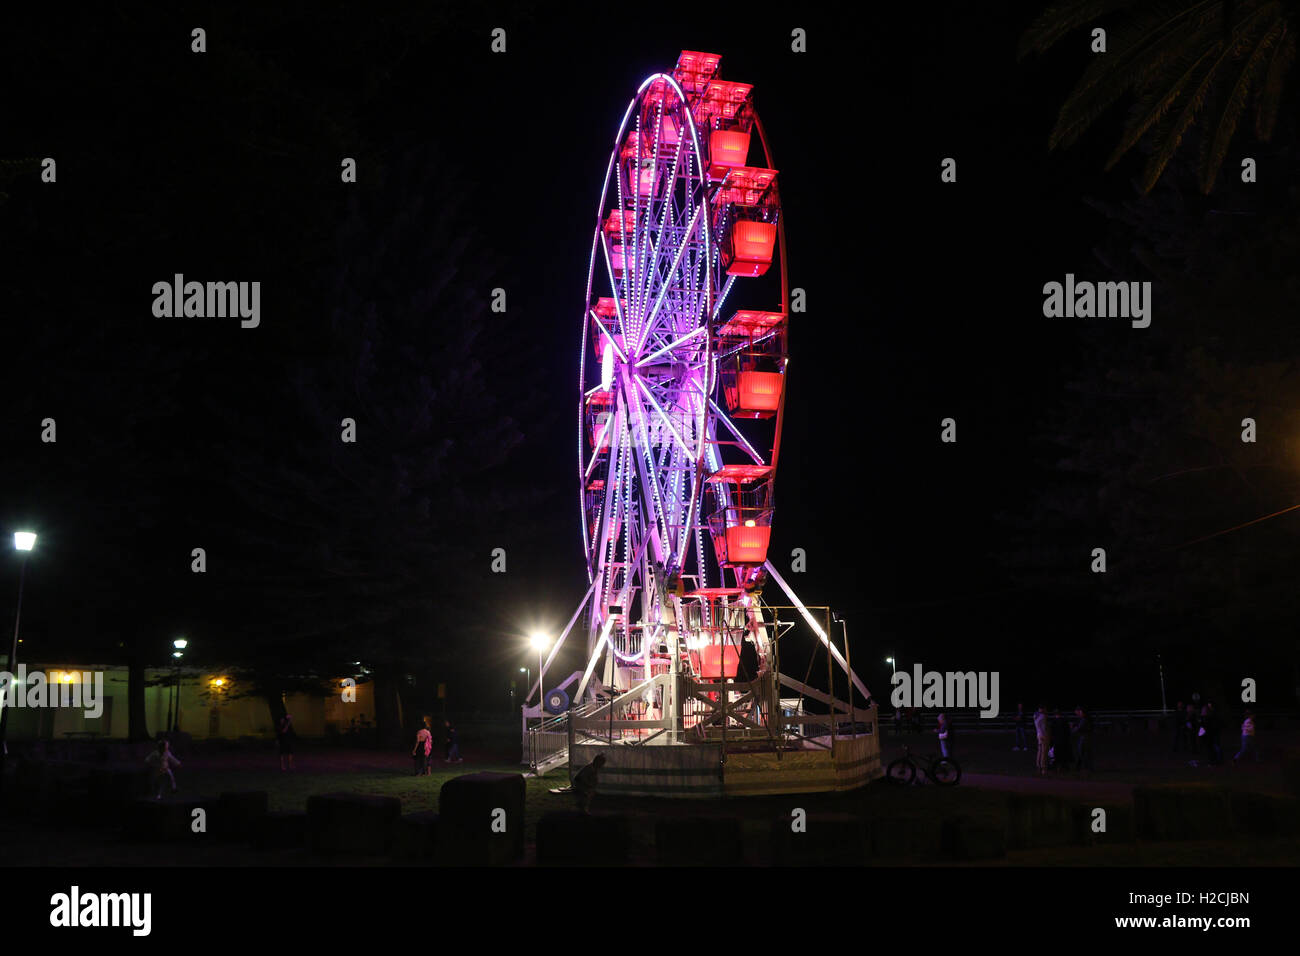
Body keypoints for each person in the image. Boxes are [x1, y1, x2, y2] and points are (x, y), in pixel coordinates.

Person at [1072, 705, 1093, 773]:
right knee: (1083, 753)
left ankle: (1086, 768)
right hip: (1085, 737)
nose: (1079, 713)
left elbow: (1079, 728)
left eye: (1080, 712)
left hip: (1085, 738)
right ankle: (1083, 767)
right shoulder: (1084, 719)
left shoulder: (1084, 719)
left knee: (1082, 753)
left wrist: (1073, 728)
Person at [1051, 707, 1072, 771]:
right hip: (1063, 740)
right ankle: (1064, 766)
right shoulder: (1064, 721)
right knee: (1063, 753)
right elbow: (1067, 731)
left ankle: (1058, 767)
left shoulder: (1054, 722)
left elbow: (1052, 731)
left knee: (1057, 754)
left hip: (1057, 740)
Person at [1034, 705, 1051, 775]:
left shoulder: (1036, 715)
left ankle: (1038, 766)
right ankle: (1043, 768)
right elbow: (1044, 727)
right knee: (1044, 752)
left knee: (1040, 751)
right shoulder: (1043, 716)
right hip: (1043, 735)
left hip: (1038, 734)